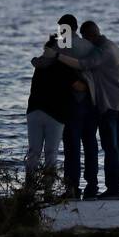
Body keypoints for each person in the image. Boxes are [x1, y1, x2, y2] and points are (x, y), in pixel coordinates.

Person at [56, 21, 119, 199]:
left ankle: (114, 188)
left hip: (109, 105)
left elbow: (83, 64)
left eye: (85, 38)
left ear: (88, 36)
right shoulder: (113, 46)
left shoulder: (102, 51)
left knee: (111, 147)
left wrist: (58, 56)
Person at [32, 14, 100, 199]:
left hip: (73, 101)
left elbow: (45, 62)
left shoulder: (62, 45)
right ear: (77, 27)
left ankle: (72, 188)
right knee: (91, 144)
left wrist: (35, 60)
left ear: (64, 28)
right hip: (91, 100)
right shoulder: (89, 46)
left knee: (72, 146)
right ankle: (92, 186)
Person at [24, 31, 75, 182]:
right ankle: (47, 189)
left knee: (34, 152)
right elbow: (78, 86)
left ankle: (29, 185)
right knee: (51, 153)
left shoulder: (39, 64)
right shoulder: (63, 67)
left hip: (34, 111)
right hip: (55, 113)